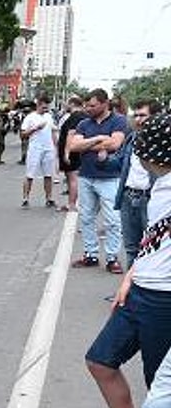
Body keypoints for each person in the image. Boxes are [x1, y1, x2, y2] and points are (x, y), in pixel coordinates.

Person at [71, 112, 171, 408]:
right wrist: (130, 277)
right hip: (143, 289)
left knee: (159, 406)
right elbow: (156, 238)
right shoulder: (159, 183)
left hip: (166, 299)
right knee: (100, 360)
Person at [69, 88, 130, 273]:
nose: (88, 108)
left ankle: (112, 258)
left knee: (113, 220)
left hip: (110, 177)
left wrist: (86, 145)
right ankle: (90, 254)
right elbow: (74, 146)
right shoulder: (84, 123)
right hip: (87, 175)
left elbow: (115, 143)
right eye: (87, 105)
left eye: (92, 105)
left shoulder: (119, 120)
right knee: (87, 217)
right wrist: (97, 139)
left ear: (105, 103)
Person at [114, 99, 162, 266]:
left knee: (154, 249)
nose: (139, 119)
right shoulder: (132, 138)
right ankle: (130, 290)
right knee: (131, 248)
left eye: (143, 115)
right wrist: (103, 158)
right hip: (129, 196)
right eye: (136, 115)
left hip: (150, 199)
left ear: (156, 117)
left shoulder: (163, 144)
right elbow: (119, 162)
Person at [20, 96, 57, 208]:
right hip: (35, 148)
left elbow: (52, 131)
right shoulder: (30, 117)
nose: (46, 107)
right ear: (38, 104)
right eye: (44, 105)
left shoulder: (49, 117)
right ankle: (25, 198)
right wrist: (35, 128)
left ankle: (49, 198)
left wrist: (56, 146)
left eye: (47, 105)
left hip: (48, 148)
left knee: (48, 174)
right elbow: (22, 135)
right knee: (30, 174)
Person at [58, 95, 87, 212]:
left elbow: (71, 134)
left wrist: (67, 152)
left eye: (67, 103)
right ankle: (72, 203)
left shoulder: (76, 116)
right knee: (72, 178)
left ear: (72, 104)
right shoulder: (83, 116)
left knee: (73, 178)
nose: (65, 105)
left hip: (73, 152)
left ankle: (72, 204)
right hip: (76, 150)